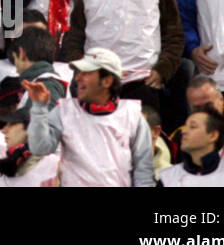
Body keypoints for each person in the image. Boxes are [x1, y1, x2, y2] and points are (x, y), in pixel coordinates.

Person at [26, 47, 154, 187]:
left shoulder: (133, 116)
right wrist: (39, 107)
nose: (77, 78)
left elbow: (144, 173)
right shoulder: (63, 111)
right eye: (79, 72)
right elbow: (39, 148)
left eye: (86, 73)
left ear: (107, 81)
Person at [158, 105, 224, 186]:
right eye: (185, 126)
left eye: (193, 127)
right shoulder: (166, 179)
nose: (184, 131)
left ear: (213, 135)